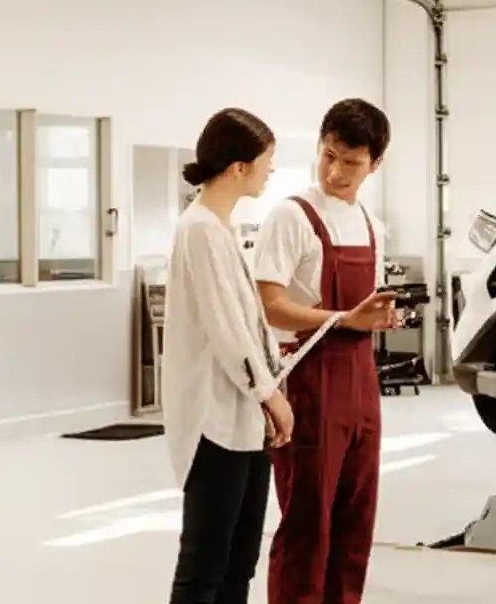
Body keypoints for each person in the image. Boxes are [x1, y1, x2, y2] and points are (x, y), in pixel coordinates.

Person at [254, 98, 400, 604]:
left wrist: (378, 318)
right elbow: (269, 304)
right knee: (307, 523)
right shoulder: (292, 216)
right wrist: (344, 319)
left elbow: (363, 308)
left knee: (356, 521)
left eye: (351, 162)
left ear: (375, 164)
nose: (336, 171)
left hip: (362, 382)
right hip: (309, 382)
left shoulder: (372, 224)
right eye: (329, 155)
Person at [161, 107, 295, 604]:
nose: (271, 171)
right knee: (205, 561)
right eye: (267, 161)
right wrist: (270, 392)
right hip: (212, 421)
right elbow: (226, 331)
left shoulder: (222, 229)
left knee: (239, 561)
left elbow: (245, 325)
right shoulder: (198, 230)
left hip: (242, 419)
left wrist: (268, 384)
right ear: (239, 167)